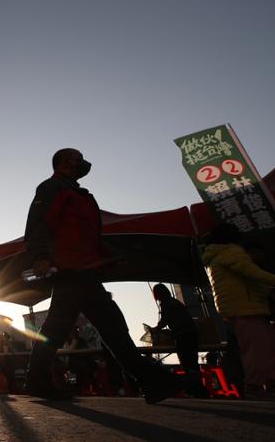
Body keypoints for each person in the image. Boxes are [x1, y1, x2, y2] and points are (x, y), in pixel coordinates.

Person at [23, 148, 180, 403]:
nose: (84, 162)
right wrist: (40, 256)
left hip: (83, 270)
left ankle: (37, 381)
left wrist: (109, 254)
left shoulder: (78, 194)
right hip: (71, 270)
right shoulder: (53, 188)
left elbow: (87, 237)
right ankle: (152, 379)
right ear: (66, 162)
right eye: (78, 158)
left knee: (83, 327)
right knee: (105, 326)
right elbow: (39, 223)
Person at [202, 223, 275, 399]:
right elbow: (252, 273)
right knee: (257, 350)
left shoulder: (215, 256)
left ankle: (265, 385)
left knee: (262, 347)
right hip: (246, 308)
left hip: (239, 309)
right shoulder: (230, 252)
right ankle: (255, 386)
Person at [150, 284, 209, 398]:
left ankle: (196, 389)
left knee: (186, 363)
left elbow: (165, 320)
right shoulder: (175, 302)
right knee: (193, 362)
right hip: (191, 334)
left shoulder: (166, 302)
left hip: (182, 335)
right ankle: (198, 388)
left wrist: (155, 329)